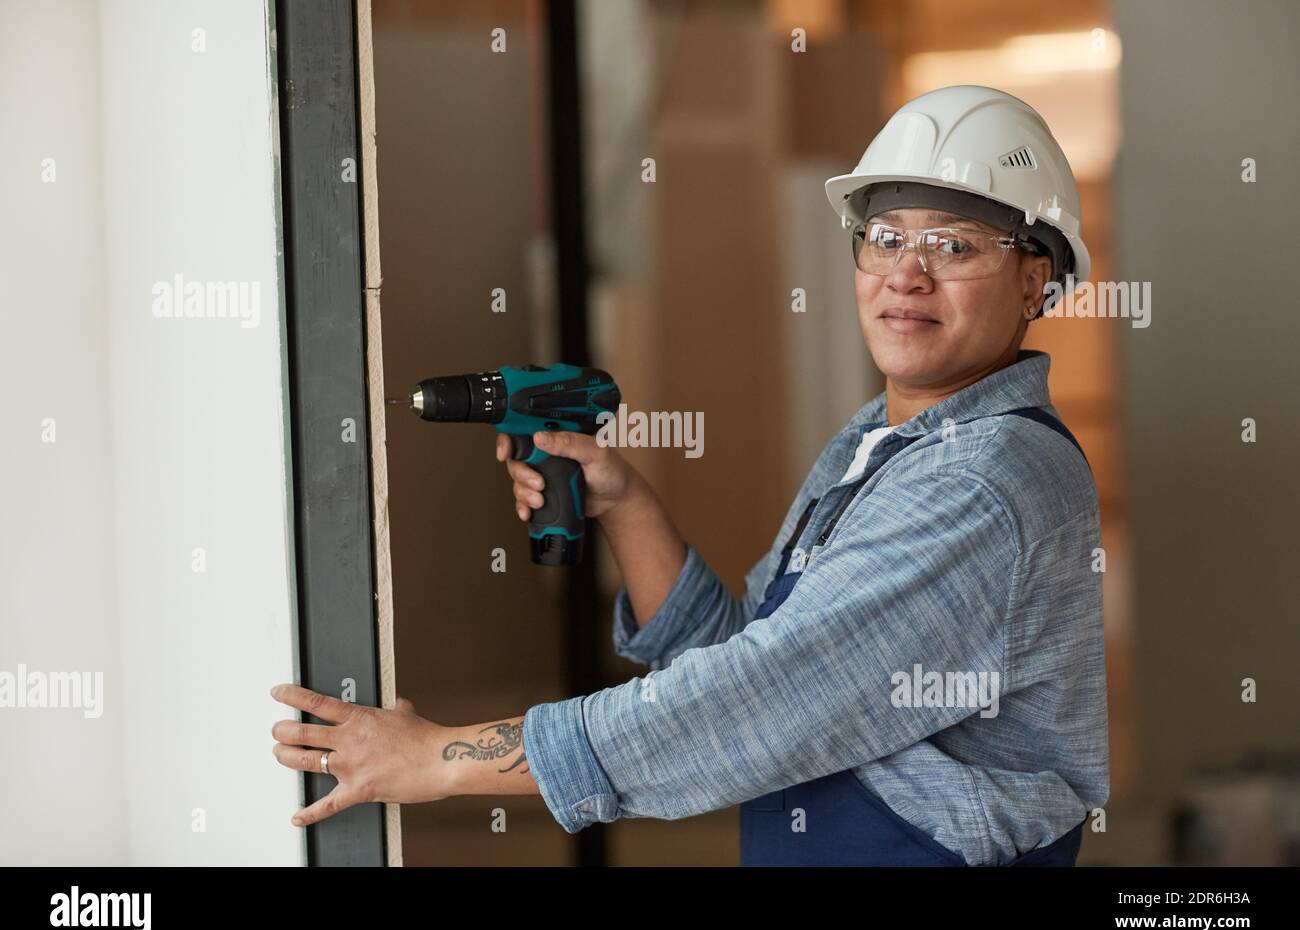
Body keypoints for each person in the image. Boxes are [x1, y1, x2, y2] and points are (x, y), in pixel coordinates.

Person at [270, 85, 1109, 866]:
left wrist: (441, 758)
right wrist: (624, 503)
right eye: (886, 237)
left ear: (1035, 278)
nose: (905, 273)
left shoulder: (981, 481)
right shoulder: (883, 441)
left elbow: (755, 705)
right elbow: (749, 655)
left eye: (952, 246)